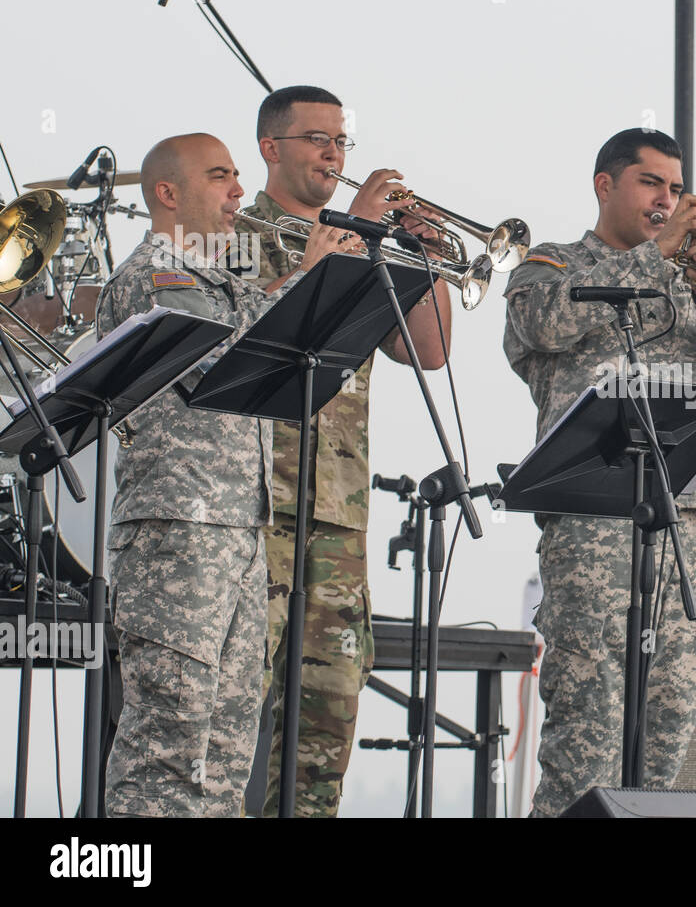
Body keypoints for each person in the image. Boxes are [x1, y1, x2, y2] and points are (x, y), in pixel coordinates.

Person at [503, 128, 696, 816]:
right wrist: (653, 260)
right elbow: (544, 326)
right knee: (585, 747)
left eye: (677, 188)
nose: (668, 200)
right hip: (594, 523)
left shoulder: (692, 283)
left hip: (690, 526)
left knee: (665, 745)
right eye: (652, 183)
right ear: (606, 185)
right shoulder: (553, 265)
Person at [239, 84, 453, 817]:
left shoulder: (367, 246)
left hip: (337, 515)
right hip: (255, 507)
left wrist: (420, 254)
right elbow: (262, 326)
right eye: (316, 139)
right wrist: (356, 233)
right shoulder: (237, 235)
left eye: (341, 141)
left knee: (325, 724)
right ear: (271, 148)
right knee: (234, 721)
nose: (334, 154)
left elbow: (427, 351)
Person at [98, 133, 273, 816]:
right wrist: (313, 280)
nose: (237, 192)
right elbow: (228, 364)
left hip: (237, 535)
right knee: (168, 743)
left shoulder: (225, 280)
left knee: (227, 750)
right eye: (220, 176)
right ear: (167, 193)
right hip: (178, 538)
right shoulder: (155, 278)